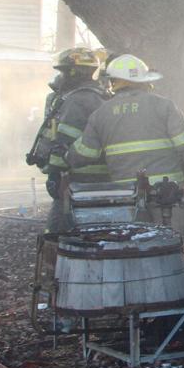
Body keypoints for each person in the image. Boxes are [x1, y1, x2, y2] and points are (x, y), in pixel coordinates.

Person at [65, 53, 184, 243]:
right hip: (167, 196)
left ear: (113, 82)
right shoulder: (163, 106)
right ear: (145, 81)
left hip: (126, 198)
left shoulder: (101, 113)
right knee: (171, 247)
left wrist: (66, 154)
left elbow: (84, 154)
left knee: (134, 250)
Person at [31, 47, 112, 233]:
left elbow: (65, 142)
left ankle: (60, 261)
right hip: (89, 178)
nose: (60, 77)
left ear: (74, 72)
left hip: (76, 177)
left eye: (63, 72)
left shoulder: (79, 100)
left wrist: (54, 172)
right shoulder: (94, 97)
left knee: (58, 232)